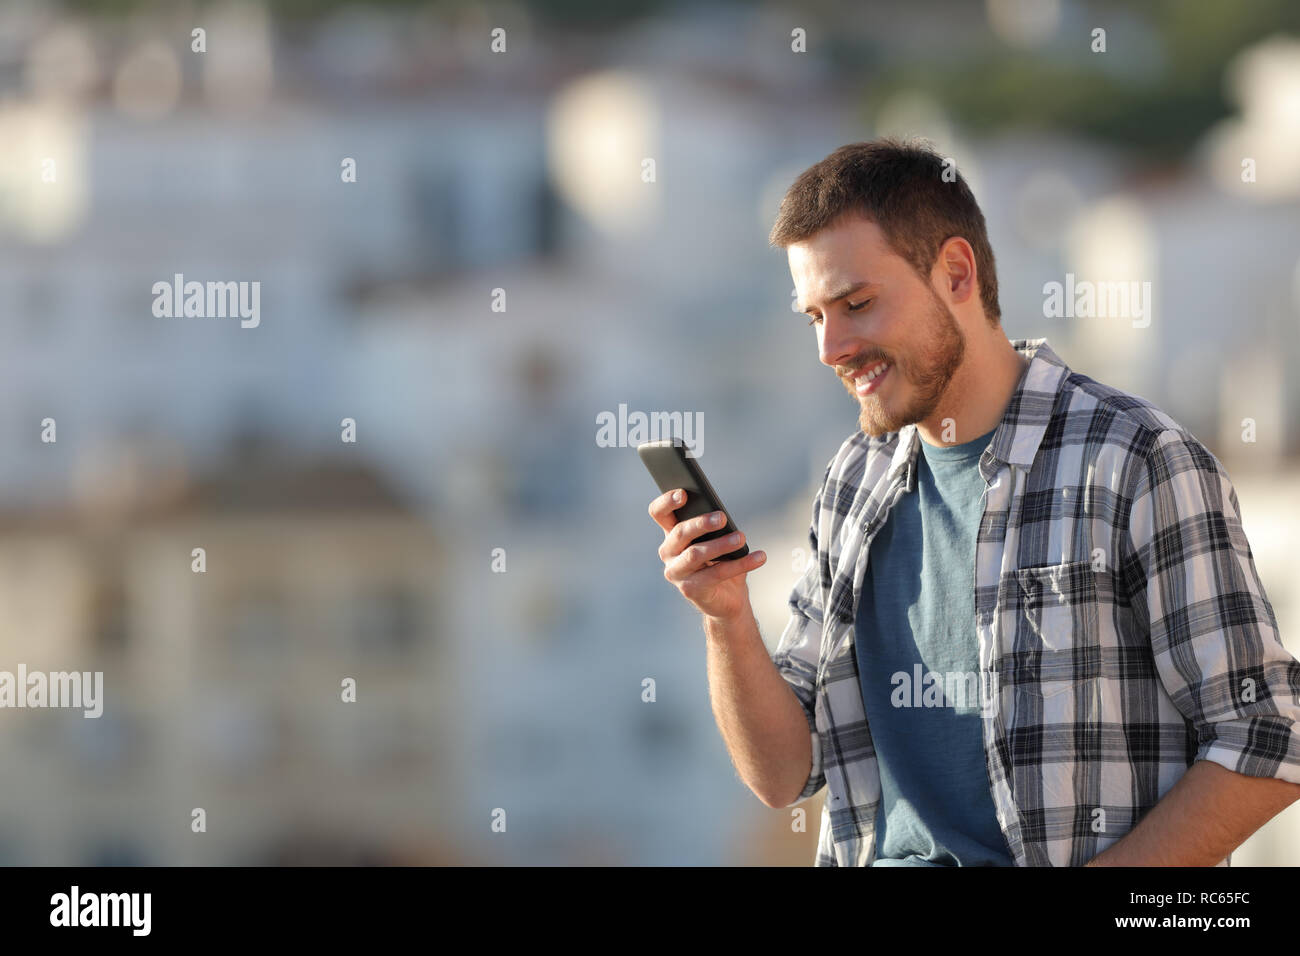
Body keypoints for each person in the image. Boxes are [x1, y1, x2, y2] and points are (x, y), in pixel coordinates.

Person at [647, 137, 1300, 866]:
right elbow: (783, 774)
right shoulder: (851, 482)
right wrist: (726, 616)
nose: (831, 347)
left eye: (856, 303)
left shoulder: (1135, 459)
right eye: (813, 317)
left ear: (956, 272)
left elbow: (1267, 737)